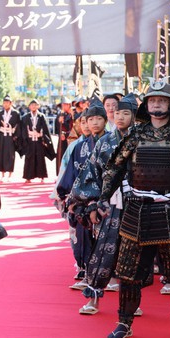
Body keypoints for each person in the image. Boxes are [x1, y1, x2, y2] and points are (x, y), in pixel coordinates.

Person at [96, 78, 170, 338]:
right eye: (153, 100)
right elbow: (115, 166)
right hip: (138, 211)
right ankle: (124, 322)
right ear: (147, 105)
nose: (157, 104)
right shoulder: (135, 133)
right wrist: (103, 197)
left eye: (162, 100)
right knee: (128, 272)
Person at [72, 94, 139, 315]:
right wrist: (91, 204)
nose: (119, 117)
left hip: (138, 205)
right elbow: (91, 175)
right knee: (102, 252)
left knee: (134, 257)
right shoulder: (105, 142)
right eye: (117, 112)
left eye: (125, 113)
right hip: (110, 205)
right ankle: (93, 299)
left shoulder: (142, 140)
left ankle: (131, 305)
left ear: (134, 116)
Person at [57, 100, 107, 290]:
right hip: (83, 201)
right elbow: (71, 175)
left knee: (106, 240)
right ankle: (87, 273)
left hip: (108, 200)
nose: (93, 123)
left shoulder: (113, 142)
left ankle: (107, 277)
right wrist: (68, 198)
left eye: (98, 118)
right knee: (84, 237)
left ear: (105, 120)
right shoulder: (79, 147)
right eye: (89, 119)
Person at [19, 99, 54, 183]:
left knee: (40, 158)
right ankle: (28, 177)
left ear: (38, 106)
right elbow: (23, 130)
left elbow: (45, 129)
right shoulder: (25, 117)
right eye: (32, 105)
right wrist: (25, 141)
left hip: (39, 140)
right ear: (29, 106)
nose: (33, 106)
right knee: (29, 158)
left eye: (35, 105)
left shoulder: (41, 116)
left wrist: (45, 140)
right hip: (30, 141)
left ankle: (42, 176)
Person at [0, 94, 20, 182]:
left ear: (11, 103)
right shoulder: (0, 114)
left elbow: (19, 126)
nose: (5, 104)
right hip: (2, 137)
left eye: (7, 103)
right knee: (1, 155)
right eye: (4, 103)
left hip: (11, 137)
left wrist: (16, 136)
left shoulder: (16, 114)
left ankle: (10, 174)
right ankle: (3, 174)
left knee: (10, 155)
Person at [55, 96, 74, 175]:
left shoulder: (72, 114)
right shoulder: (60, 115)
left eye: (66, 104)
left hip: (71, 138)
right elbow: (57, 128)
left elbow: (72, 126)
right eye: (63, 105)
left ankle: (69, 174)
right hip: (62, 138)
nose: (64, 106)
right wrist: (60, 123)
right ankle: (60, 174)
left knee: (70, 155)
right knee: (61, 154)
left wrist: (64, 124)